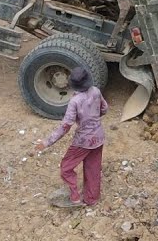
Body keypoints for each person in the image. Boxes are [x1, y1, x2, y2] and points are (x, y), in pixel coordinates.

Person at [31, 66, 108, 209]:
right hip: (98, 137)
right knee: (93, 168)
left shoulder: (75, 101)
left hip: (83, 140)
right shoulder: (96, 91)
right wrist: (93, 120)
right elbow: (104, 108)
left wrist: (47, 142)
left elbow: (66, 125)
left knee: (66, 168)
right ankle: (92, 199)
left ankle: (74, 197)